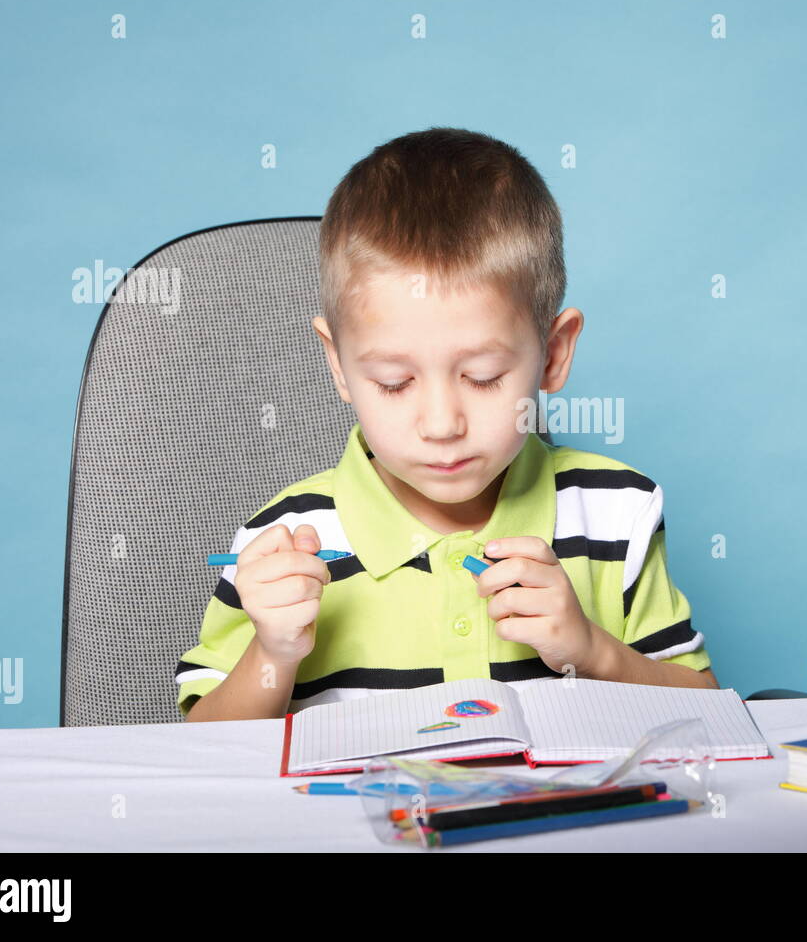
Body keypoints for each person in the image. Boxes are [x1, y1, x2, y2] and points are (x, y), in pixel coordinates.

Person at [179, 127, 717, 721]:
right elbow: (202, 744)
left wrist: (593, 652)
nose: (440, 424)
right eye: (394, 382)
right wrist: (273, 653)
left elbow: (707, 711)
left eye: (483, 376)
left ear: (555, 354)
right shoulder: (284, 536)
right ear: (338, 366)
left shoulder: (618, 511)